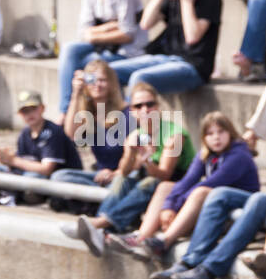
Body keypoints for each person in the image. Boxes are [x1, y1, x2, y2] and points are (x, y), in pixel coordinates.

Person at [108, 112, 258, 261]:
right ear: (204, 138)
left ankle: (164, 241)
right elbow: (187, 181)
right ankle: (141, 237)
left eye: (221, 132)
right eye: (210, 133)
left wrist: (175, 206)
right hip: (217, 204)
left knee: (201, 191)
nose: (216, 137)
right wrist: (168, 206)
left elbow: (213, 182)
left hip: (240, 206)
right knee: (165, 187)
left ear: (230, 133)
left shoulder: (239, 154)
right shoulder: (206, 153)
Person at [66, 84, 195, 256]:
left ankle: (99, 223)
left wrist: (147, 160)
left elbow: (165, 175)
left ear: (158, 107)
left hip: (176, 185)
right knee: (122, 180)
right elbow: (124, 171)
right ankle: (101, 232)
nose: (145, 110)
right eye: (138, 106)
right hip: (152, 183)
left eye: (150, 104)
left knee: (149, 182)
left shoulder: (175, 135)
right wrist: (132, 152)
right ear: (132, 111)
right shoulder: (135, 135)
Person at [106, 0, 221, 96]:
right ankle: (116, 118)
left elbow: (193, 37)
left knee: (140, 78)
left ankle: (131, 119)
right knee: (110, 72)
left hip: (193, 66)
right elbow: (146, 24)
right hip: (165, 58)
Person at [56, 0, 146, 113]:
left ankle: (106, 117)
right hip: (104, 46)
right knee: (69, 50)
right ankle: (66, 111)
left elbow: (127, 33)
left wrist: (95, 33)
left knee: (88, 65)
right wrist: (110, 27)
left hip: (127, 51)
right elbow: (83, 31)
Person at [53, 59, 130, 191]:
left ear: (111, 83)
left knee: (121, 184)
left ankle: (98, 198)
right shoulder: (89, 115)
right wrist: (76, 93)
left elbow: (138, 157)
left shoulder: (127, 113)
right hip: (99, 176)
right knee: (60, 176)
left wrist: (116, 173)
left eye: (102, 80)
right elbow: (71, 133)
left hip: (123, 174)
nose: (97, 85)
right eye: (92, 80)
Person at [0, 90, 81, 197]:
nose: (29, 114)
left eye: (33, 109)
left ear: (42, 108)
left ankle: (23, 194)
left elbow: (47, 169)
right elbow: (25, 162)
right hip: (37, 173)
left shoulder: (52, 131)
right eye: (25, 111)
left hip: (62, 177)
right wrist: (7, 160)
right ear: (20, 114)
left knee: (32, 177)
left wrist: (13, 160)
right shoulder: (24, 133)